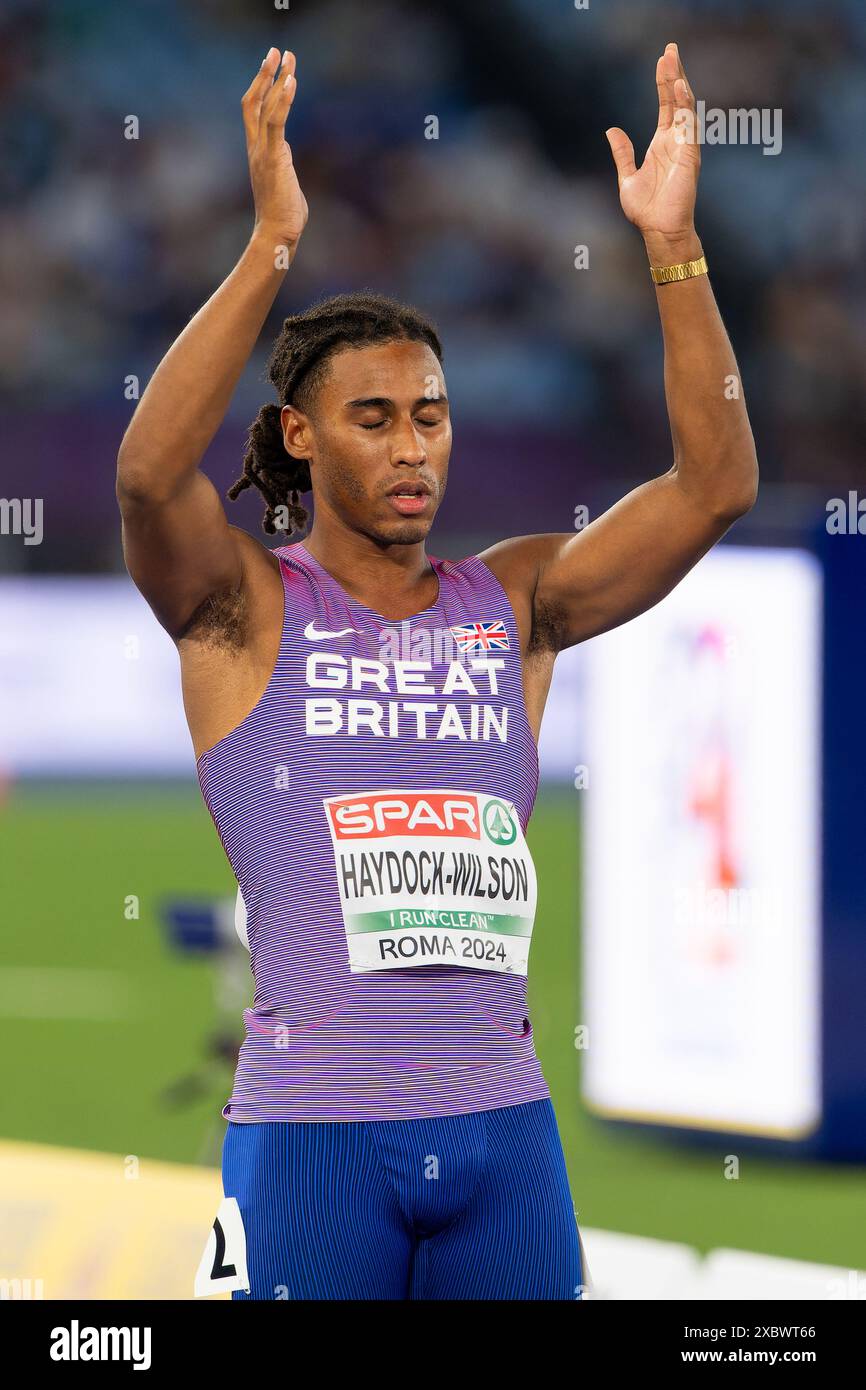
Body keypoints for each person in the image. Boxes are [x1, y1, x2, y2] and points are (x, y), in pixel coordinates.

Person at [116, 43, 758, 1300]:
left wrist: (672, 248)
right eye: (373, 417)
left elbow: (713, 487)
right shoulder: (237, 610)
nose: (413, 446)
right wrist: (269, 247)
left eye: (431, 413)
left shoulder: (515, 600)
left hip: (503, 1140)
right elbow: (147, 477)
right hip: (309, 1146)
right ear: (298, 435)